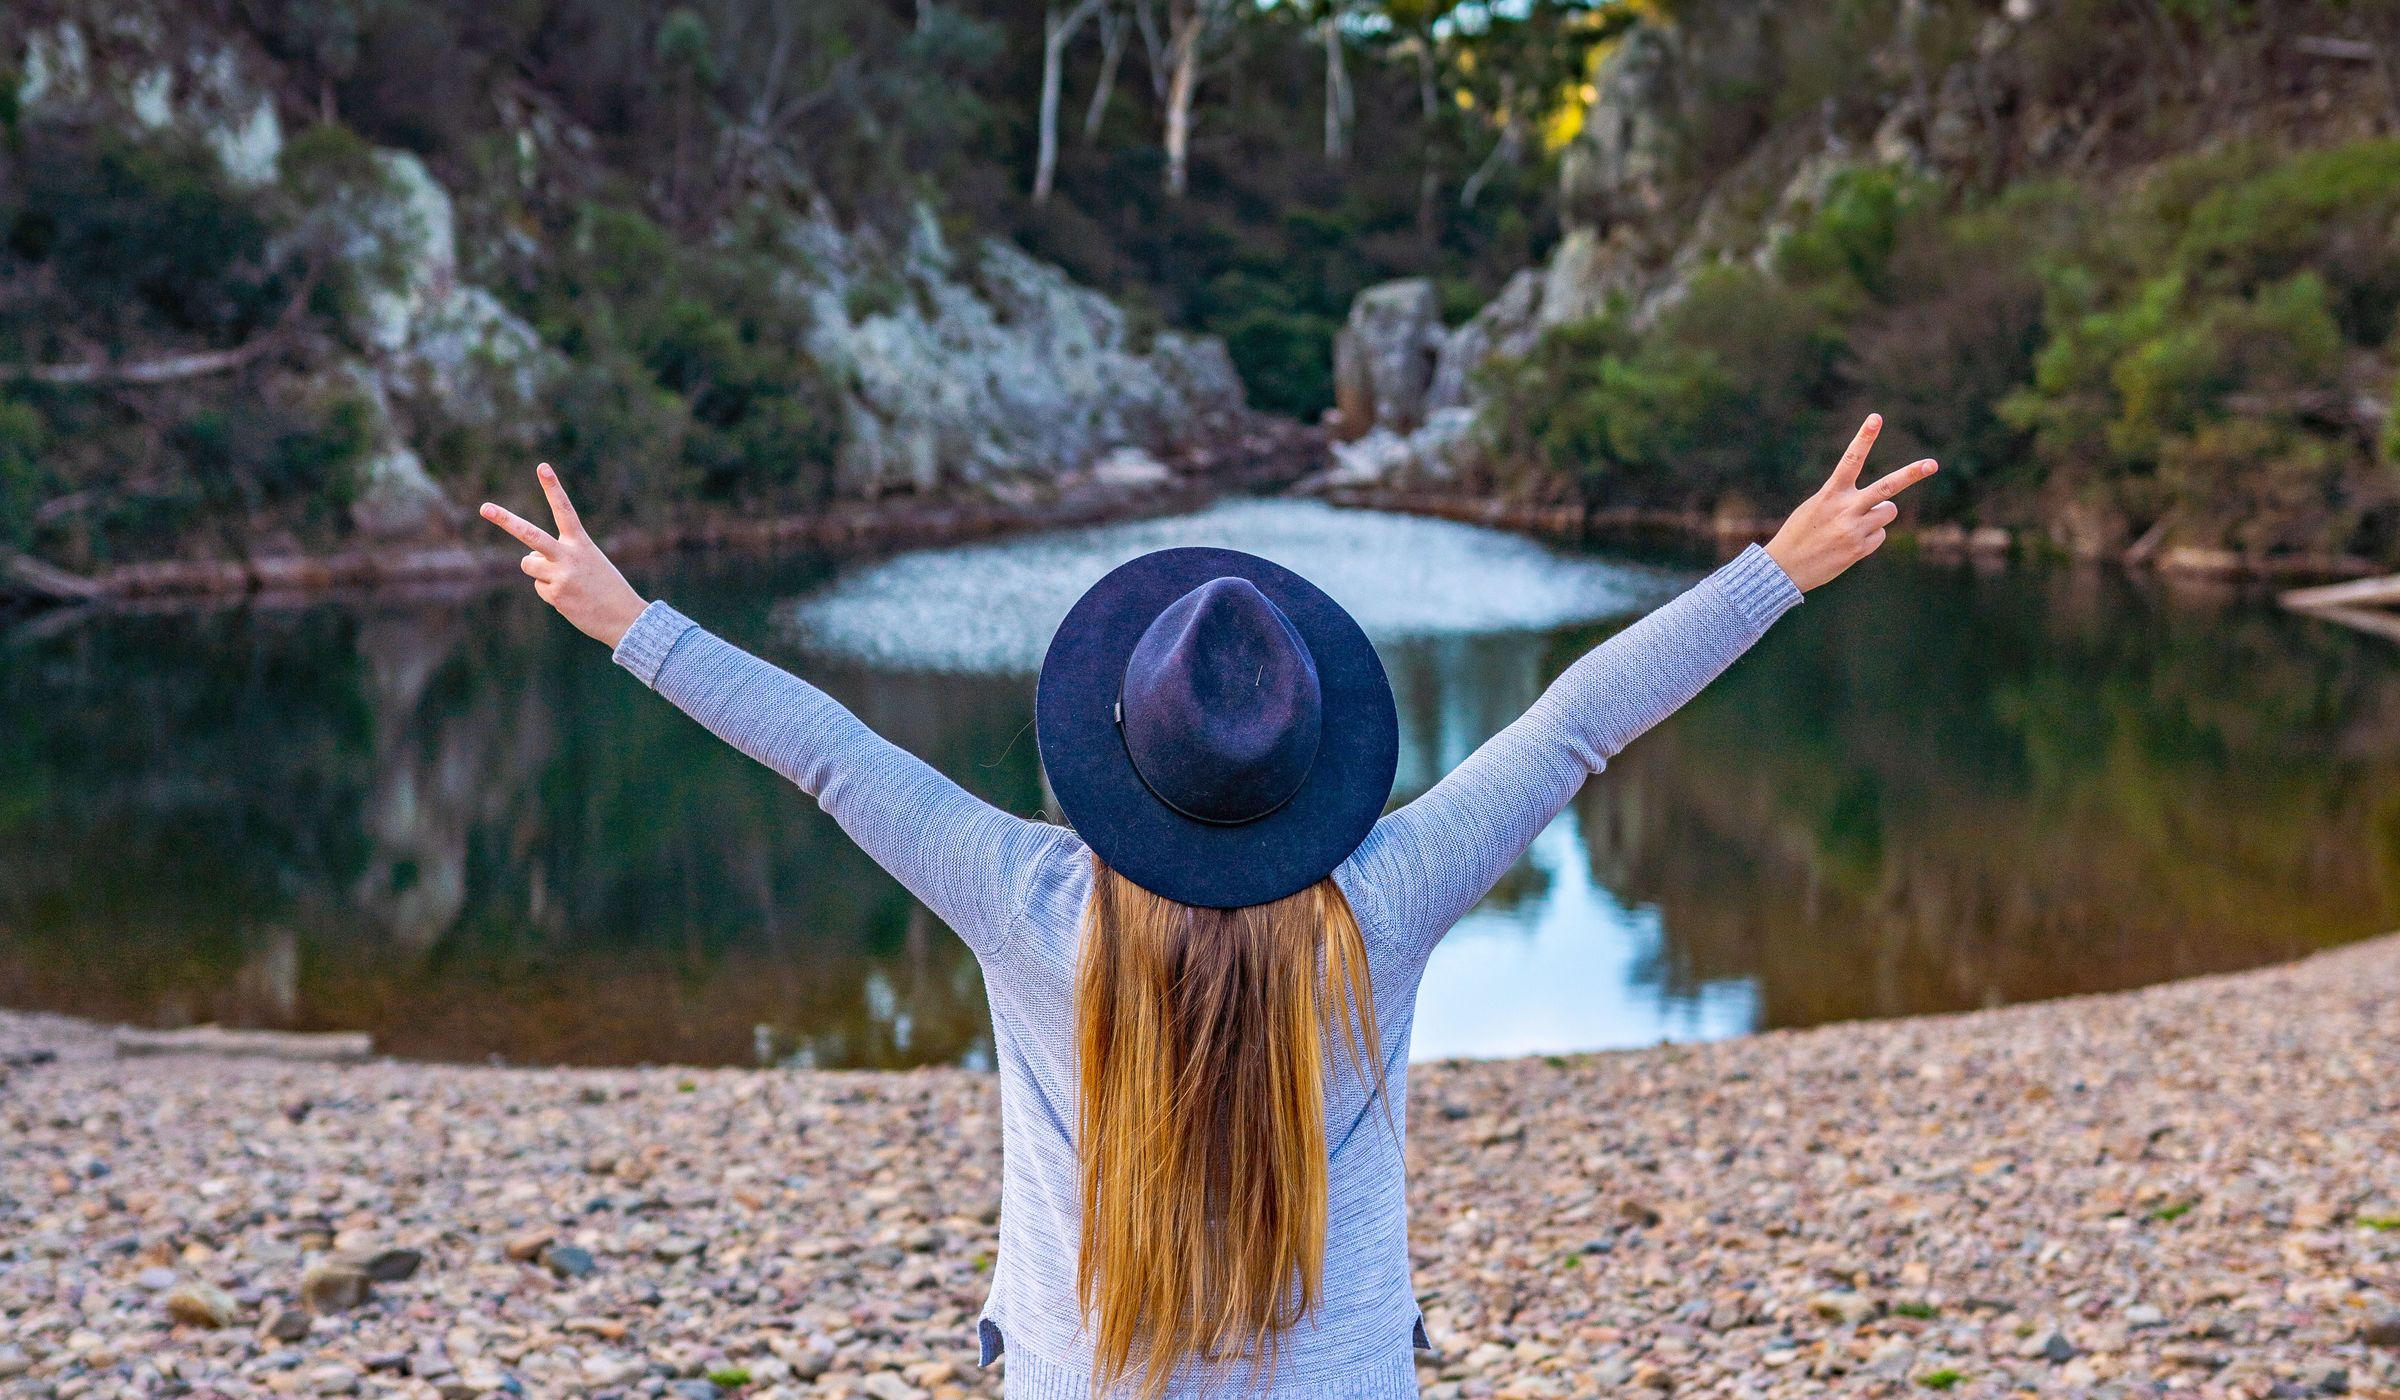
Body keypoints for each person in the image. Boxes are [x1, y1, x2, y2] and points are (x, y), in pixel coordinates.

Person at [480, 416, 1933, 1399]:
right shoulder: (1388, 900)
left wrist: (631, 621)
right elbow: (1572, 728)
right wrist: (1774, 573)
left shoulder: (1028, 899)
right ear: (1309, 763)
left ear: (1118, 754)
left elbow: (828, 760)